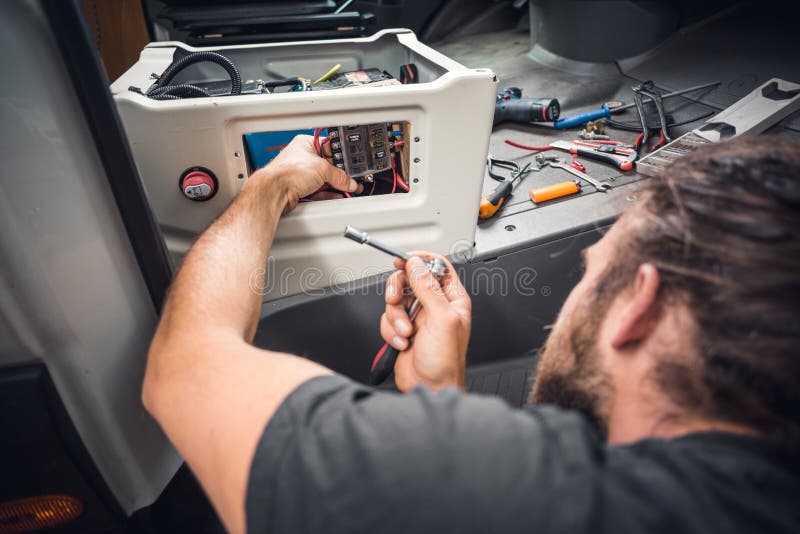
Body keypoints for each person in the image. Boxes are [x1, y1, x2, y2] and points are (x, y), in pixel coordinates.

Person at [142, 135, 800, 534]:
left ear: (639, 306)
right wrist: (440, 395)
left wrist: (274, 185)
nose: (578, 293)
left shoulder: (530, 494)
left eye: (589, 272)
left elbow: (181, 367)